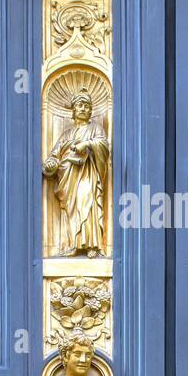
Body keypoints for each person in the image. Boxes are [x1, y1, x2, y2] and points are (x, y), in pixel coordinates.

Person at [44, 91, 110, 257]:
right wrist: (52, 163)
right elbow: (55, 154)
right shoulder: (66, 134)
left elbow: (103, 146)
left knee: (87, 204)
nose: (83, 109)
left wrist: (87, 144)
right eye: (80, 106)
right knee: (72, 209)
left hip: (88, 173)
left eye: (87, 106)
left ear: (90, 111)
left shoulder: (95, 129)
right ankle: (73, 243)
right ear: (73, 110)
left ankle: (92, 245)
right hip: (69, 177)